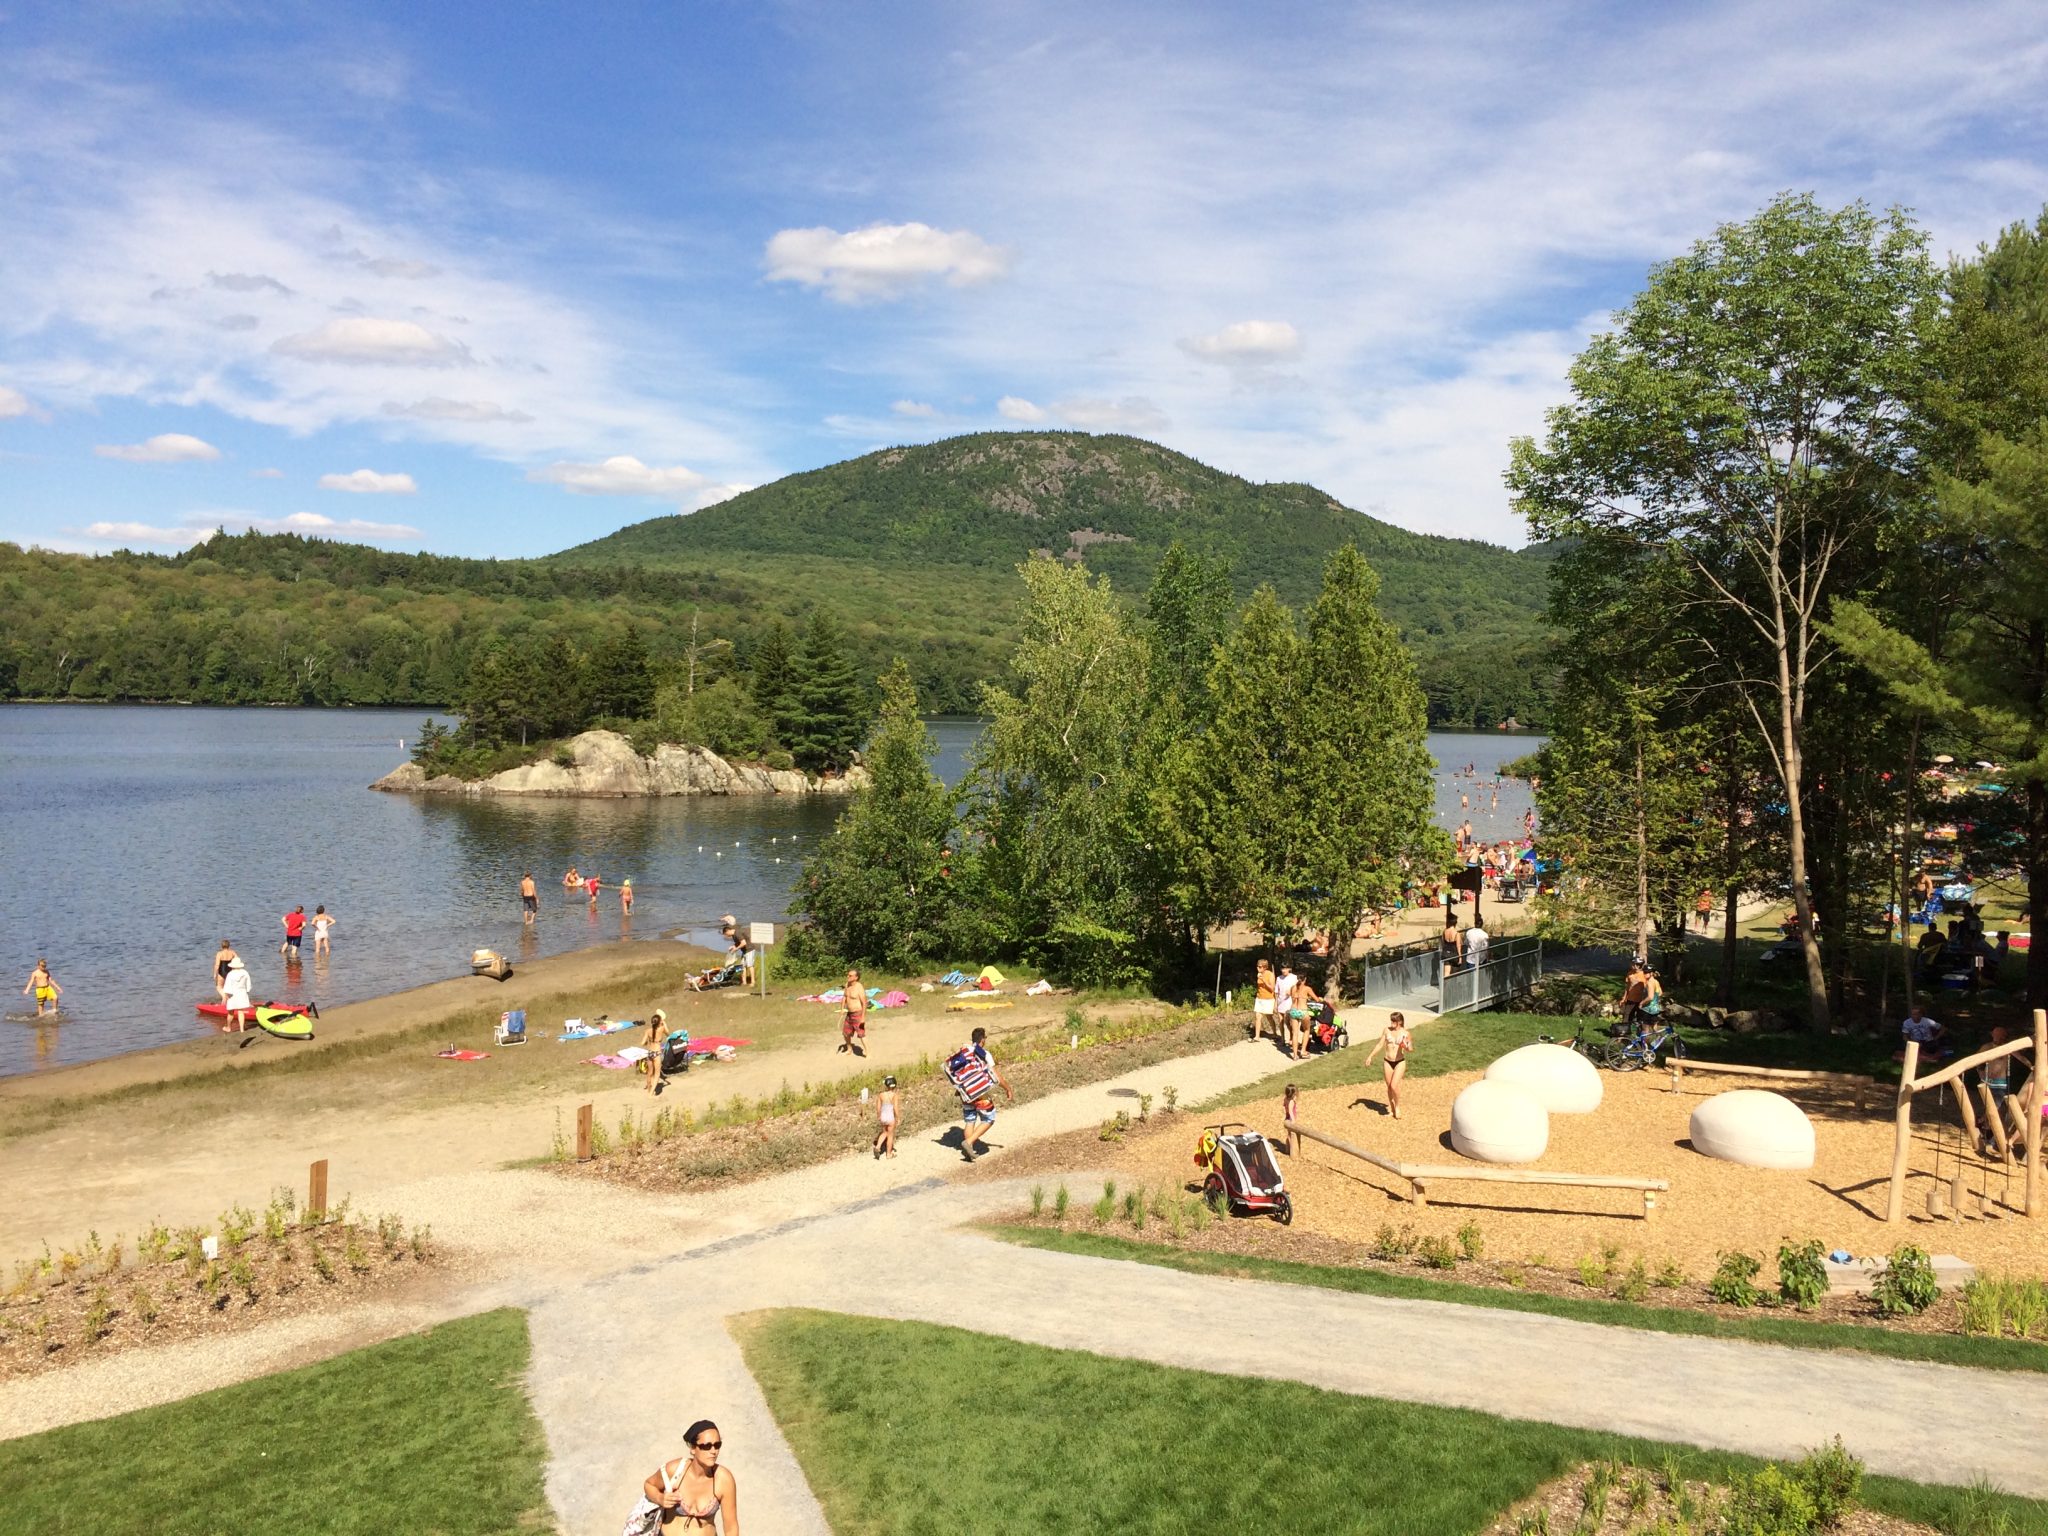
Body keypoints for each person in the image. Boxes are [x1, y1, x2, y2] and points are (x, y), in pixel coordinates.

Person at [639, 1420, 738, 1535]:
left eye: (717, 1445)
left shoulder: (724, 1479)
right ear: (693, 1448)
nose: (713, 1451)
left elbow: (731, 1527)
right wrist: (660, 1498)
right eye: (707, 1446)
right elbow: (649, 1484)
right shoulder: (675, 1470)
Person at [958, 1025, 1014, 1162]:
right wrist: (1007, 1088)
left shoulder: (965, 1051)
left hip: (965, 1092)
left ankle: (969, 1151)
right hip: (979, 1092)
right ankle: (969, 1142)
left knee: (970, 1120)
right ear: (982, 1040)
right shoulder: (984, 1054)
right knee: (989, 1118)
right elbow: (996, 1076)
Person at [1362, 1010, 1413, 1119]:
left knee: (1394, 1085)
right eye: (1391, 1020)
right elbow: (1380, 1045)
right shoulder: (1386, 1030)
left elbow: (1410, 1049)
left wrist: (1405, 1046)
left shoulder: (1406, 1033)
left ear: (1399, 1022)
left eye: (1394, 1021)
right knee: (1389, 1087)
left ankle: (1397, 1106)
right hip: (1387, 1061)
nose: (1392, 1023)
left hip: (1399, 1062)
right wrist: (1370, 1056)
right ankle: (1392, 1108)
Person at [840, 968, 868, 1055]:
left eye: (850, 975)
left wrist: (863, 1017)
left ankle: (868, 1053)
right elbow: (845, 997)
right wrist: (842, 1008)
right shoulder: (847, 985)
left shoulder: (859, 987)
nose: (848, 976)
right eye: (848, 975)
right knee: (845, 1033)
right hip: (849, 1014)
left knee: (861, 1034)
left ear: (856, 977)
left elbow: (864, 1003)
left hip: (857, 1013)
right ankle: (849, 1049)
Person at [1274, 962, 1300, 1058]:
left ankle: (1292, 1037)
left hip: (1289, 1002)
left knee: (1288, 1021)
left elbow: (1298, 989)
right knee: (1280, 1021)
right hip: (1280, 1002)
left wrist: (1292, 992)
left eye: (1285, 968)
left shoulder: (1294, 977)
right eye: (1282, 969)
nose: (1284, 970)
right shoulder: (1278, 978)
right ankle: (1282, 1039)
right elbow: (1276, 992)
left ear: (1289, 969)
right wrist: (1275, 1003)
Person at [222, 956, 253, 1032]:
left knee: (231, 1012)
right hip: (242, 993)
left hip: (233, 994)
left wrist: (226, 995)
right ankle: (242, 1029)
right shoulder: (245, 973)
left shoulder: (230, 974)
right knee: (240, 1011)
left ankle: (228, 1027)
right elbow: (248, 985)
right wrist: (247, 991)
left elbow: (227, 986)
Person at [642, 1009, 669, 1096]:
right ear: (659, 1023)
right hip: (657, 1053)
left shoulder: (647, 1031)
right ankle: (650, 1094)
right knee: (657, 1075)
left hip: (650, 1053)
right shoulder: (661, 1029)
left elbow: (642, 1043)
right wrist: (664, 1023)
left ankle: (649, 1090)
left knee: (650, 1073)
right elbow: (668, 1034)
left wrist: (647, 1042)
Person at [873, 1074, 899, 1159]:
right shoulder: (894, 1095)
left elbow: (878, 1107)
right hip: (890, 1117)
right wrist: (897, 1117)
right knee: (890, 1135)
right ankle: (889, 1154)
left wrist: (879, 1115)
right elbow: (895, 1108)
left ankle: (878, 1146)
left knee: (884, 1132)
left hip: (883, 1116)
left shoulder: (881, 1095)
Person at [1252, 957, 1276, 1043]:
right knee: (1258, 1016)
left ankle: (1274, 1033)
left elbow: (1272, 988)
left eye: (1260, 967)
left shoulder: (1270, 975)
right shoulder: (1259, 974)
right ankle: (1257, 1036)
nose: (1258, 968)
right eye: (1257, 966)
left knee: (1269, 1017)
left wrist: (1263, 980)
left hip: (1268, 999)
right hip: (1259, 998)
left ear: (1265, 967)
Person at [1441, 913, 1462, 977]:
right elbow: (1458, 946)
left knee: (1446, 973)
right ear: (1455, 923)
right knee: (1455, 973)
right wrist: (1460, 957)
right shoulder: (1457, 933)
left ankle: (1444, 983)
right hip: (1454, 954)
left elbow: (1443, 943)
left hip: (1446, 953)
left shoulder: (1445, 931)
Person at [1281, 1082, 1300, 1155]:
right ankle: (1291, 1150)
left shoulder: (1285, 1099)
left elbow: (1283, 1107)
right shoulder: (1291, 1101)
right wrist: (1293, 1121)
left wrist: (1285, 1114)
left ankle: (1287, 1149)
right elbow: (1290, 1111)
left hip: (1287, 1117)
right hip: (1291, 1118)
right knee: (1291, 1135)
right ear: (1293, 1094)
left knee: (1289, 1134)